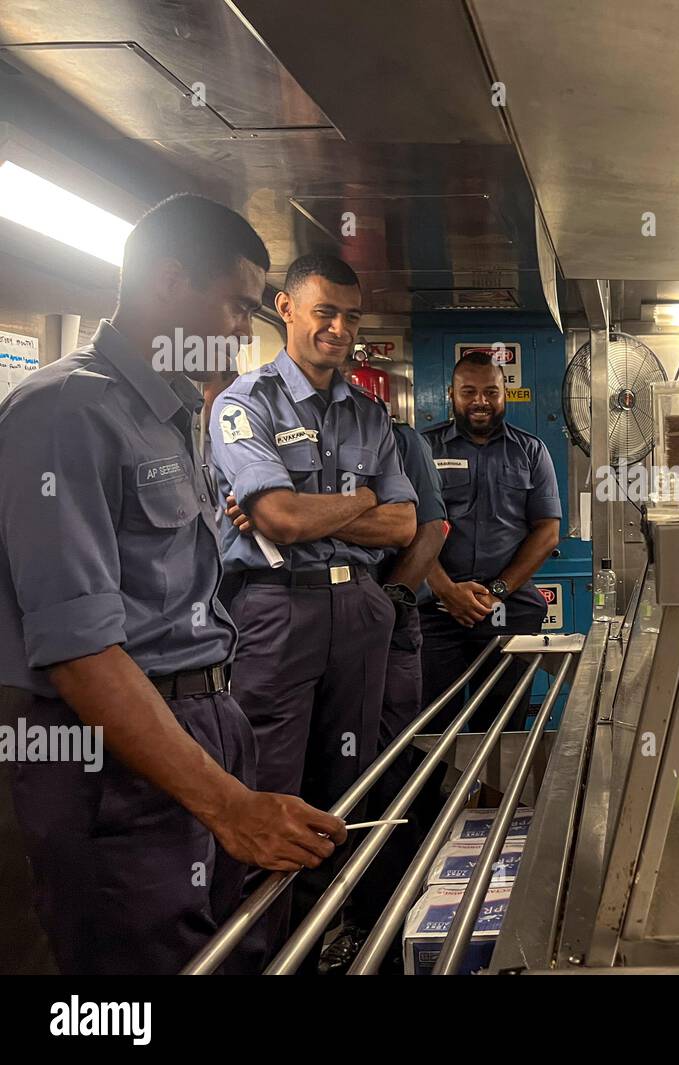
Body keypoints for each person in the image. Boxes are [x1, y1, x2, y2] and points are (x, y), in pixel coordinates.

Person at [0, 194, 345, 975]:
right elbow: (82, 652)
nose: (242, 328)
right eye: (236, 304)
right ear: (167, 281)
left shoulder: (167, 413)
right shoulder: (66, 412)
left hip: (206, 723)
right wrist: (227, 804)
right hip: (115, 755)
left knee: (231, 950)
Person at [209, 253, 417, 963]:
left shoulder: (368, 413)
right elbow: (280, 518)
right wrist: (360, 500)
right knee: (270, 793)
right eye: (324, 310)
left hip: (357, 611)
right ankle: (264, 952)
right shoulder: (245, 404)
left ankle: (330, 940)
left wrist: (315, 511)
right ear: (285, 307)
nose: (339, 328)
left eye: (351, 316)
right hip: (277, 612)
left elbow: (403, 527)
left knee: (346, 789)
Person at [320, 375, 447, 974]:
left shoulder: (400, 443)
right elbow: (269, 516)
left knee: (387, 768)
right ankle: (326, 921)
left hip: (389, 622)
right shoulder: (286, 447)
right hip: (317, 629)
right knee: (325, 776)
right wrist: (352, 511)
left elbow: (422, 528)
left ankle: (389, 923)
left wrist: (396, 594)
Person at [419, 351, 562, 730]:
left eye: (491, 392)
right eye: (469, 392)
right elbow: (406, 528)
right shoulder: (422, 449)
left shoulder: (531, 451)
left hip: (507, 610)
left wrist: (497, 591)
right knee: (429, 728)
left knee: (503, 730)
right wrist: (447, 591)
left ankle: (496, 793)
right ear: (452, 394)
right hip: (436, 613)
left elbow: (547, 532)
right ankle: (435, 792)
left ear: (504, 394)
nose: (480, 401)